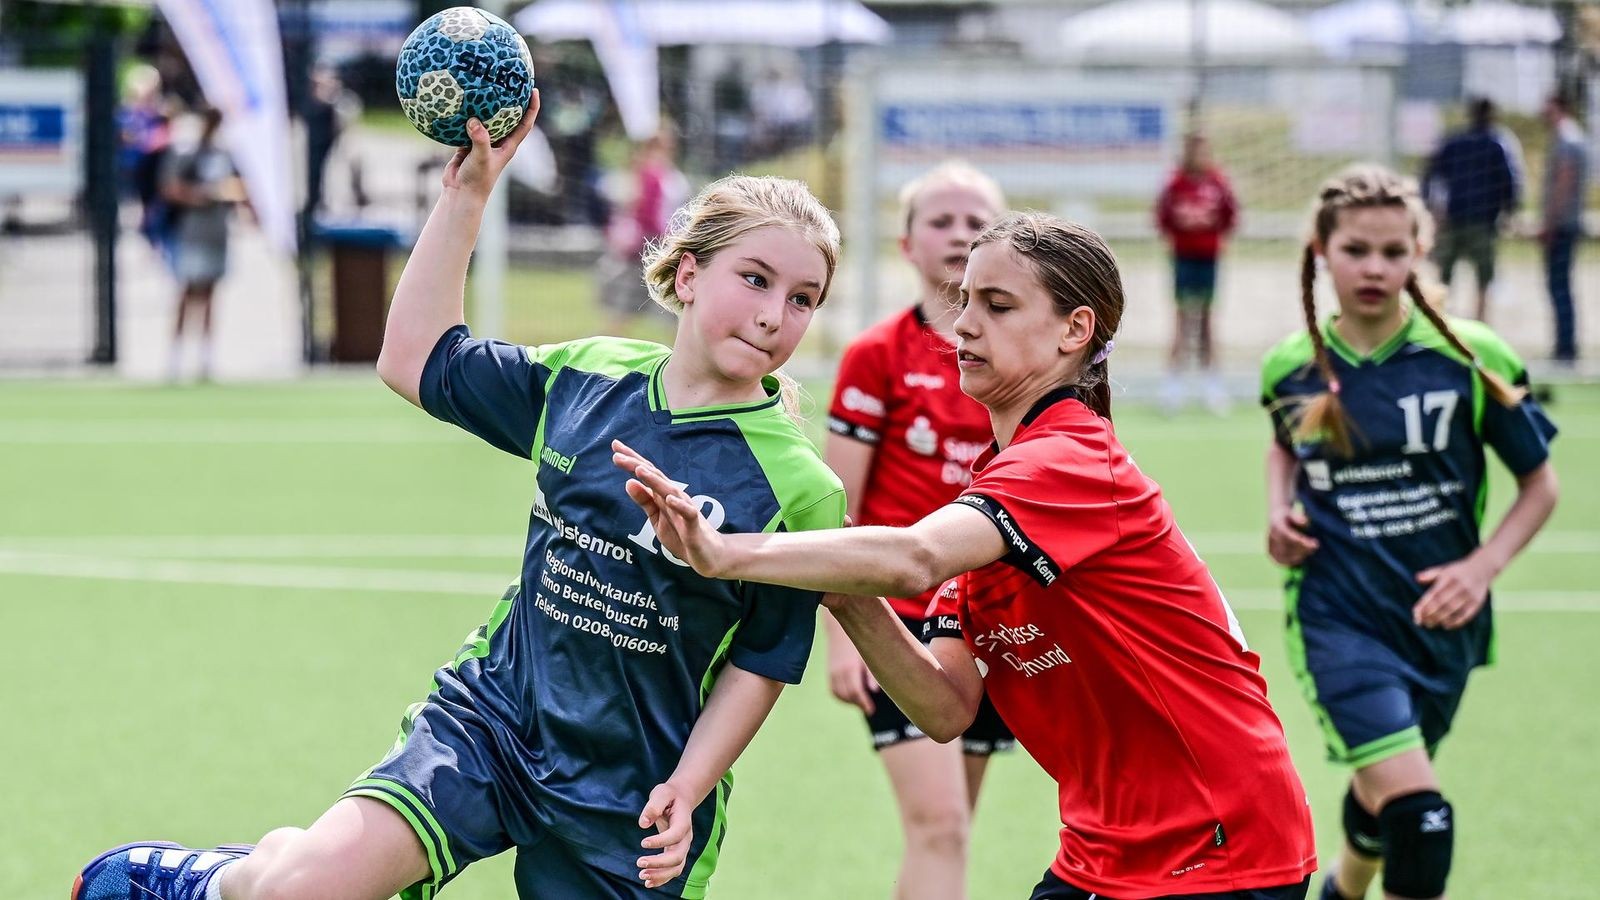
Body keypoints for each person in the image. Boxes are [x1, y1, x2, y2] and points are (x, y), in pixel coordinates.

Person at [73, 95, 848, 900]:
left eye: (801, 299)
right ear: (688, 275)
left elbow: (760, 662)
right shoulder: (588, 376)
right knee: (292, 894)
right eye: (753, 279)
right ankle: (228, 879)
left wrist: (690, 786)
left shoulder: (801, 487)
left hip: (638, 791)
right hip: (492, 723)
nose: (771, 316)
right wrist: (467, 195)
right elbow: (414, 358)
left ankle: (279, 857)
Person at [615, 211, 1319, 900]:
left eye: (998, 305)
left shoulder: (1070, 459)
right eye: (965, 302)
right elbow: (947, 707)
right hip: (1104, 850)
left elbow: (916, 558)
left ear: (1075, 330)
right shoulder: (998, 490)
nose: (964, 326)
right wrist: (851, 598)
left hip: (1221, 845)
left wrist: (724, 553)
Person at [1259, 165, 1559, 900]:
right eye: (1356, 249)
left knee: (1387, 787)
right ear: (1321, 251)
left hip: (1439, 617)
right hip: (1338, 616)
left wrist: (1479, 569)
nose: (1375, 268)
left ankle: (1341, 891)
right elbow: (1283, 447)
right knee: (1421, 814)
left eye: (1394, 252)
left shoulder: (1472, 356)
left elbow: (1540, 486)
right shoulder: (1293, 365)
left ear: (1419, 253)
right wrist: (1279, 510)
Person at [823, 161, 1011, 900]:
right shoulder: (878, 355)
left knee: (951, 829)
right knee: (942, 828)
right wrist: (843, 635)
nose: (959, 234)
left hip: (995, 628)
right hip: (901, 626)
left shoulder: (1018, 356)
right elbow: (836, 508)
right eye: (941, 220)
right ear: (906, 245)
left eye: (976, 223)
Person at [1155, 131, 1238, 414]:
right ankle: (1172, 388)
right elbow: (1162, 219)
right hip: (1183, 260)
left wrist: (1218, 242)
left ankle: (1212, 387)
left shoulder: (1218, 183)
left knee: (1207, 323)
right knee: (1180, 323)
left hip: (1209, 260)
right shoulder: (1174, 184)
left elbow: (1230, 218)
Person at [162, 106, 246, 382]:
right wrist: (200, 195)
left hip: (216, 231)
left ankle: (206, 359)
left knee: (210, 294)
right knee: (187, 292)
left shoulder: (225, 154)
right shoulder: (188, 152)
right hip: (192, 231)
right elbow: (171, 188)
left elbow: (239, 186)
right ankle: (175, 357)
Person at [1422, 98, 1518, 322]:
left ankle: (1441, 319)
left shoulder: (1455, 142)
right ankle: (1481, 322)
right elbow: (1508, 181)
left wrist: (1429, 206)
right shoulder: (1496, 144)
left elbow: (1429, 173)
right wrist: (1509, 211)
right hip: (1483, 221)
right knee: (1484, 277)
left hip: (1454, 218)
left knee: (1445, 274)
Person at [598, 129, 689, 335]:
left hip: (652, 248)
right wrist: (668, 238)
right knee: (633, 311)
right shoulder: (651, 173)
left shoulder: (654, 172)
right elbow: (647, 213)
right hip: (649, 250)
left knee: (670, 312)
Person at [1540, 90, 1588, 365]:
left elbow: (1564, 183)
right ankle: (1564, 344)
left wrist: (1550, 222)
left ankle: (1566, 348)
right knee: (1559, 285)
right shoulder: (1566, 137)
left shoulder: (1568, 138)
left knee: (1559, 285)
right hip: (1563, 224)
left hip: (1562, 226)